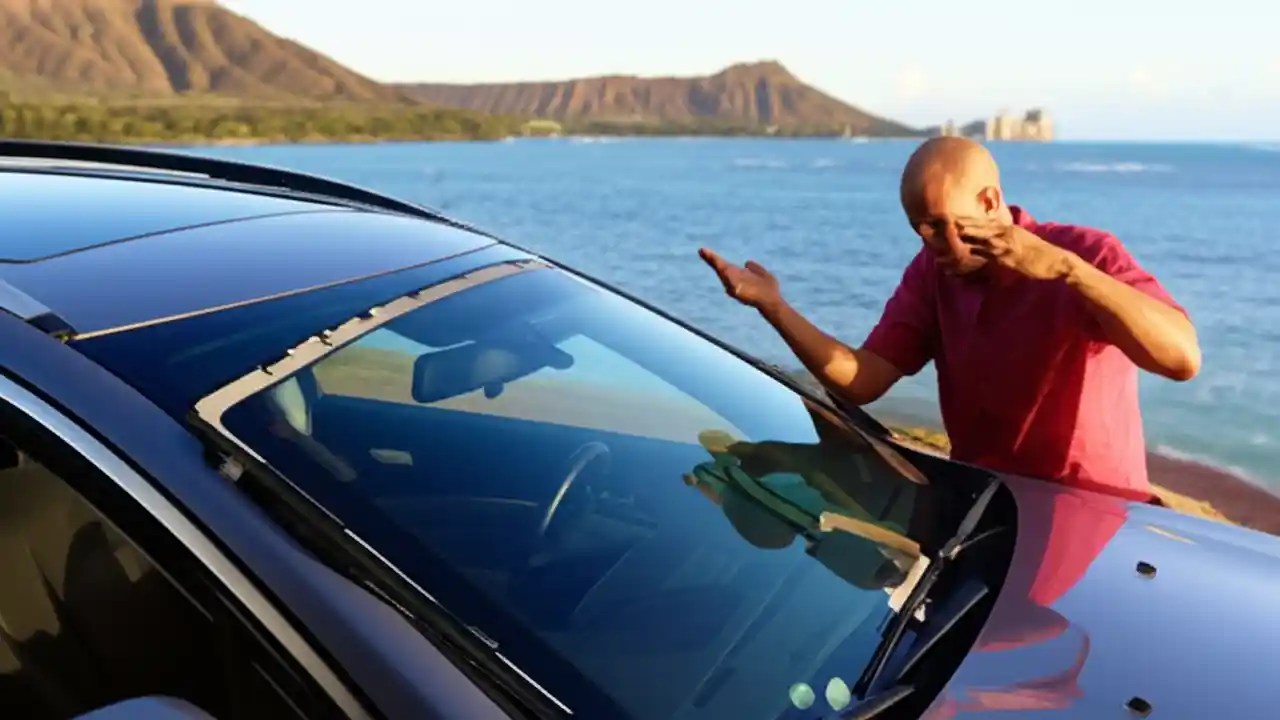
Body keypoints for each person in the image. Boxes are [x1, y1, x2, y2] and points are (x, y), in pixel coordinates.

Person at [699, 137, 1200, 501]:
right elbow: (864, 379)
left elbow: (1182, 359)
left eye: (944, 226)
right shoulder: (933, 275)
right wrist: (775, 308)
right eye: (921, 230)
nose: (935, 245)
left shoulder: (1087, 252)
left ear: (990, 201)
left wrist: (1070, 272)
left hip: (1099, 518)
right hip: (989, 511)